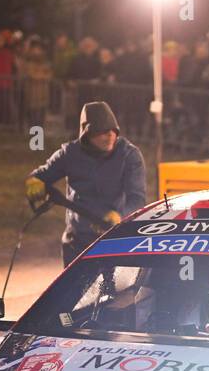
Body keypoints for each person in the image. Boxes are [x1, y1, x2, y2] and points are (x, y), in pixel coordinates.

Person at [26, 101, 146, 266]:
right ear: (87, 134)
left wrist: (121, 215)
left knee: (111, 291)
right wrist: (34, 181)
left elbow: (137, 199)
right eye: (103, 132)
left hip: (113, 240)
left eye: (113, 131)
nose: (110, 135)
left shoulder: (129, 155)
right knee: (72, 291)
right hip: (77, 242)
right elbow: (41, 174)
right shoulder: (70, 154)